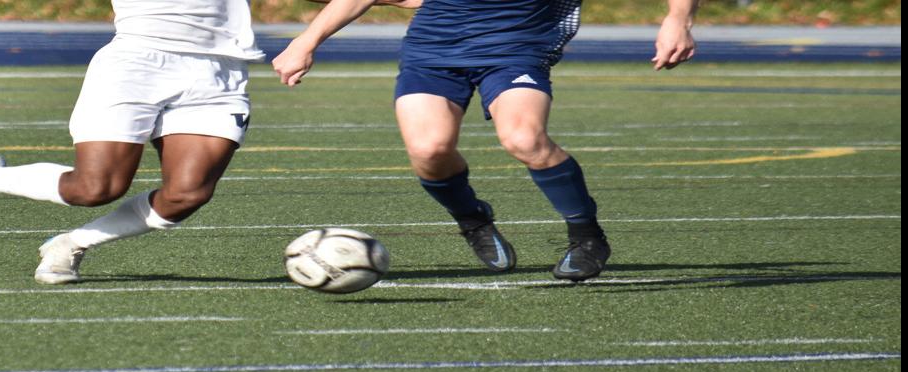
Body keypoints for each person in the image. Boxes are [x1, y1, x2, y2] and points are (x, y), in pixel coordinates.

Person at [275, 0, 699, 282]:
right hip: (433, 49)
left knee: (524, 138)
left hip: (517, 48)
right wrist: (306, 40)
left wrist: (678, 19)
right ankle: (473, 220)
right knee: (429, 150)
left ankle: (587, 236)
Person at [0, 0, 268, 285]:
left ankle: (72, 243)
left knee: (186, 196)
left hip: (220, 73)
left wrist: (300, 41)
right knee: (94, 188)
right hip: (138, 62)